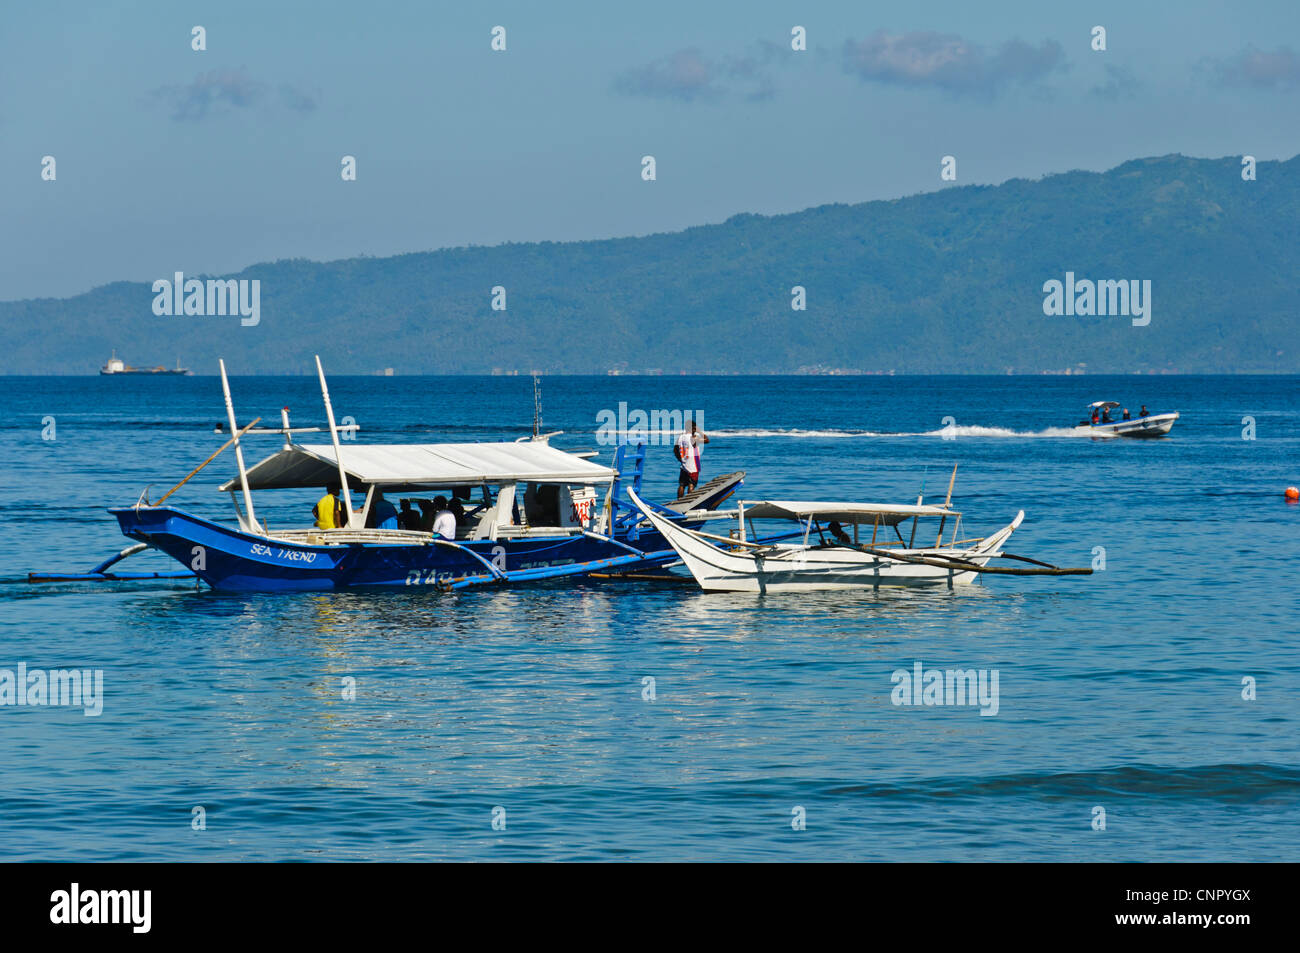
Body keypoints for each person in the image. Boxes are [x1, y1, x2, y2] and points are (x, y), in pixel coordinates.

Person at [674, 419, 710, 498]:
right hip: (693, 466)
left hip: (684, 465)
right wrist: (700, 432)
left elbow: (675, 450)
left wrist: (680, 459)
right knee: (691, 484)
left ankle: (679, 501)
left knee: (682, 485)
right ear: (693, 428)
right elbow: (707, 440)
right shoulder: (693, 438)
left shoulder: (680, 438)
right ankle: (689, 501)